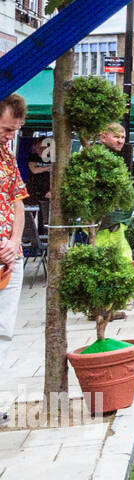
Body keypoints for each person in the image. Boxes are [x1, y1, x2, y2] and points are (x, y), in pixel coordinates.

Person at [0, 95, 27, 364]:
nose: (10, 136)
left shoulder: (7, 157)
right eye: (7, 129)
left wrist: (14, 242)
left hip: (10, 257)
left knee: (3, 331)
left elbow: (17, 202)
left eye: (15, 131)